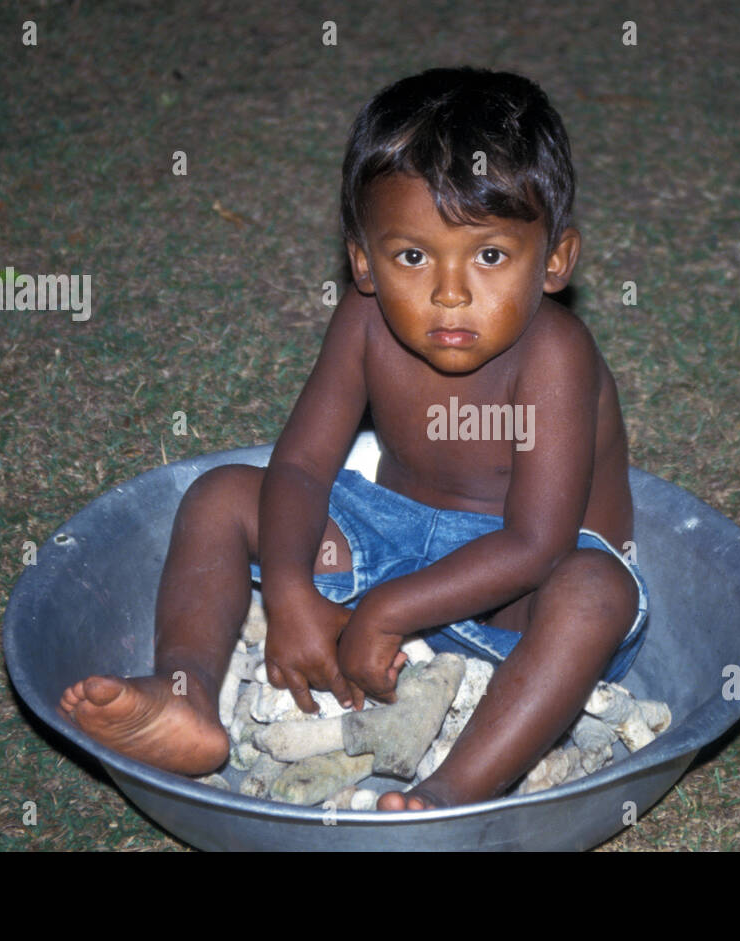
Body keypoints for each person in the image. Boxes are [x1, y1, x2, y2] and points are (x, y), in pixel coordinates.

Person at [60, 67, 649, 810]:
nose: (450, 291)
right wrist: (289, 589)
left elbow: (536, 544)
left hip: (522, 602)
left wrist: (386, 612)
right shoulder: (365, 323)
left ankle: (452, 790)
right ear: (363, 261)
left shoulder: (556, 355)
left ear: (556, 261)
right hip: (391, 548)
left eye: (490, 255)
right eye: (413, 256)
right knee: (223, 493)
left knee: (595, 590)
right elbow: (303, 465)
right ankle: (189, 696)